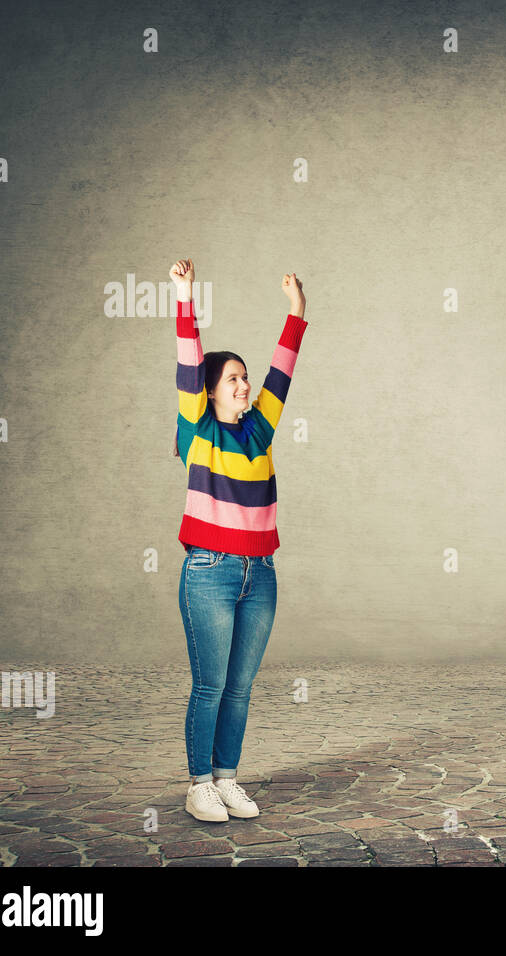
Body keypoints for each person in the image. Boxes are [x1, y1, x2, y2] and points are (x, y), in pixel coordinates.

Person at [169, 257, 310, 823]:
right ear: (210, 392)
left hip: (261, 575)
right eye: (233, 378)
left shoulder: (261, 428)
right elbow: (186, 357)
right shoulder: (197, 430)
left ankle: (227, 778)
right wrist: (185, 295)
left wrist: (296, 311)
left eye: (245, 376)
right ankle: (198, 782)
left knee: (240, 687)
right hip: (209, 570)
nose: (246, 383)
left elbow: (283, 371)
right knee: (210, 685)